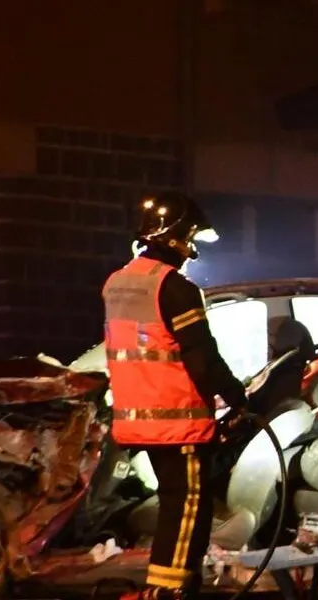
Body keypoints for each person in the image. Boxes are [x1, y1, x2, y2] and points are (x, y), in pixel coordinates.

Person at [103, 192, 247, 600]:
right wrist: (237, 397)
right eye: (191, 237)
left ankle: (165, 588)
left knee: (173, 506)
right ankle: (169, 592)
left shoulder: (117, 283)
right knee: (187, 511)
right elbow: (201, 357)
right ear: (175, 238)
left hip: (139, 421)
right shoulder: (176, 289)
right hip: (177, 422)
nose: (192, 247)